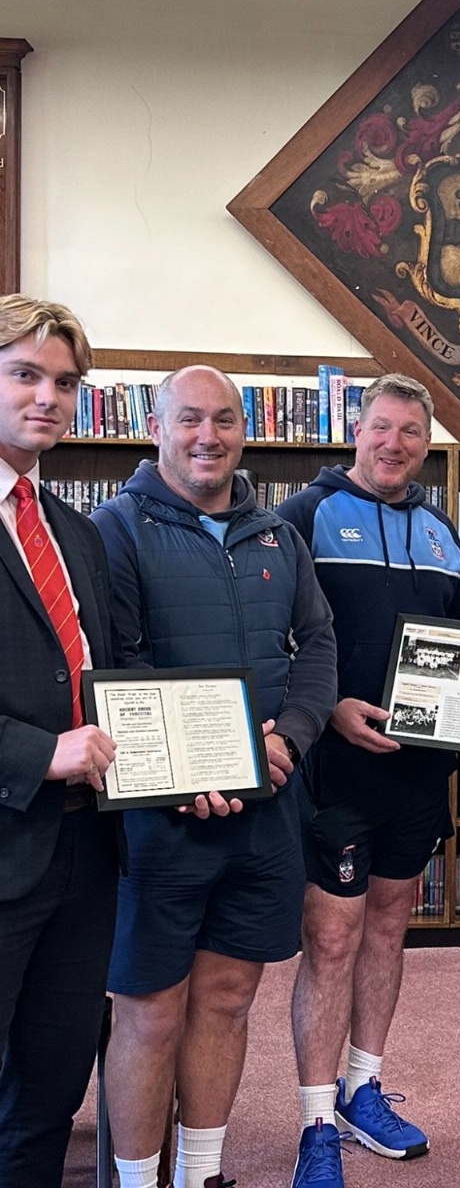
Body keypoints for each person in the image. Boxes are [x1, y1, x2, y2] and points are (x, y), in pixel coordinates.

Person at [91, 365, 337, 1188]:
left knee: (229, 999)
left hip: (265, 809)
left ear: (244, 430)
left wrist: (293, 739)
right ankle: (133, 1181)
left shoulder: (279, 535)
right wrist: (184, 770)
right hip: (159, 823)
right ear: (156, 427)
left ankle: (200, 1175)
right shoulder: (115, 530)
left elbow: (318, 646)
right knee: (150, 1012)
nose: (208, 436)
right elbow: (118, 663)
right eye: (190, 419)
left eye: (225, 420)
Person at [275, 373, 460, 1187]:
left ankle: (365, 1089)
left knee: (391, 927)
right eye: (381, 428)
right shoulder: (302, 518)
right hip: (336, 769)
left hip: (418, 773)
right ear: (356, 431)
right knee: (331, 938)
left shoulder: (441, 531)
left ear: (426, 446)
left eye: (411, 434)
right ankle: (316, 1121)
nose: (394, 445)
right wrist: (326, 711)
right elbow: (274, 640)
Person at [0, 296, 121, 1186]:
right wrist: (39, 755)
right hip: (6, 832)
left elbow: (101, 679)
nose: (47, 398)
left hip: (85, 846)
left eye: (65, 384)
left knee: (53, 1079)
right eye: (25, 375)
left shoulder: (75, 529)